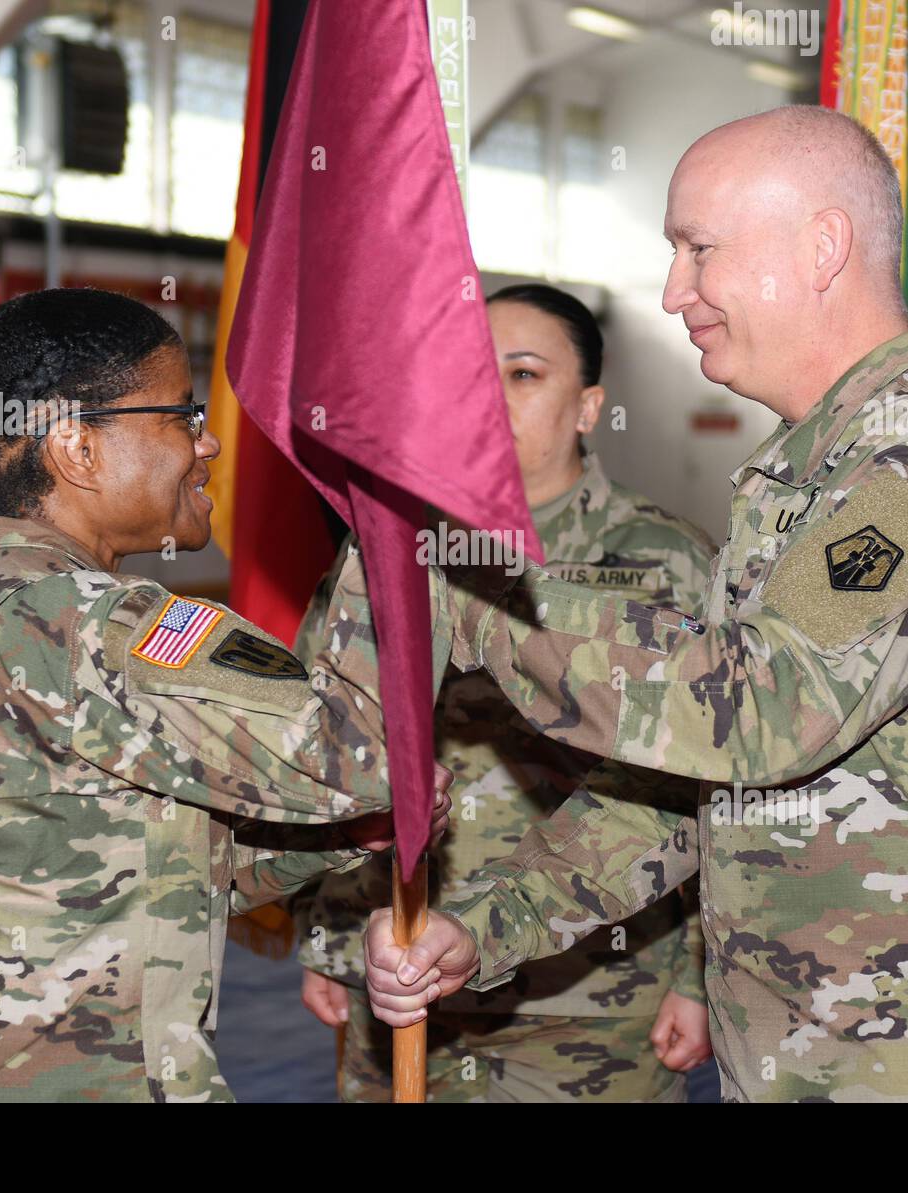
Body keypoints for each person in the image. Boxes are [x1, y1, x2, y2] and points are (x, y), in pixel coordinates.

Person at [361, 106, 908, 1103]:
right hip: (812, 1054)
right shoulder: (813, 478)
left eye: (697, 249)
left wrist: (474, 600)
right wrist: (490, 924)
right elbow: (704, 793)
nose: (675, 291)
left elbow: (753, 714)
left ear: (822, 246)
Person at [0, 288, 449, 1103]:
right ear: (78, 450)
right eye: (182, 415)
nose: (210, 440)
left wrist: (335, 836)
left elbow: (117, 862)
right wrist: (392, 523)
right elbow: (373, 756)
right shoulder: (101, 625)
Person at [294, 284, 716, 1101]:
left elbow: (706, 783)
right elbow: (328, 739)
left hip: (593, 992)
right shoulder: (390, 550)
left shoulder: (667, 560)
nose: (492, 397)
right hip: (406, 976)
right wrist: (329, 939)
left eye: (524, 374)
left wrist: (697, 976)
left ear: (590, 406)